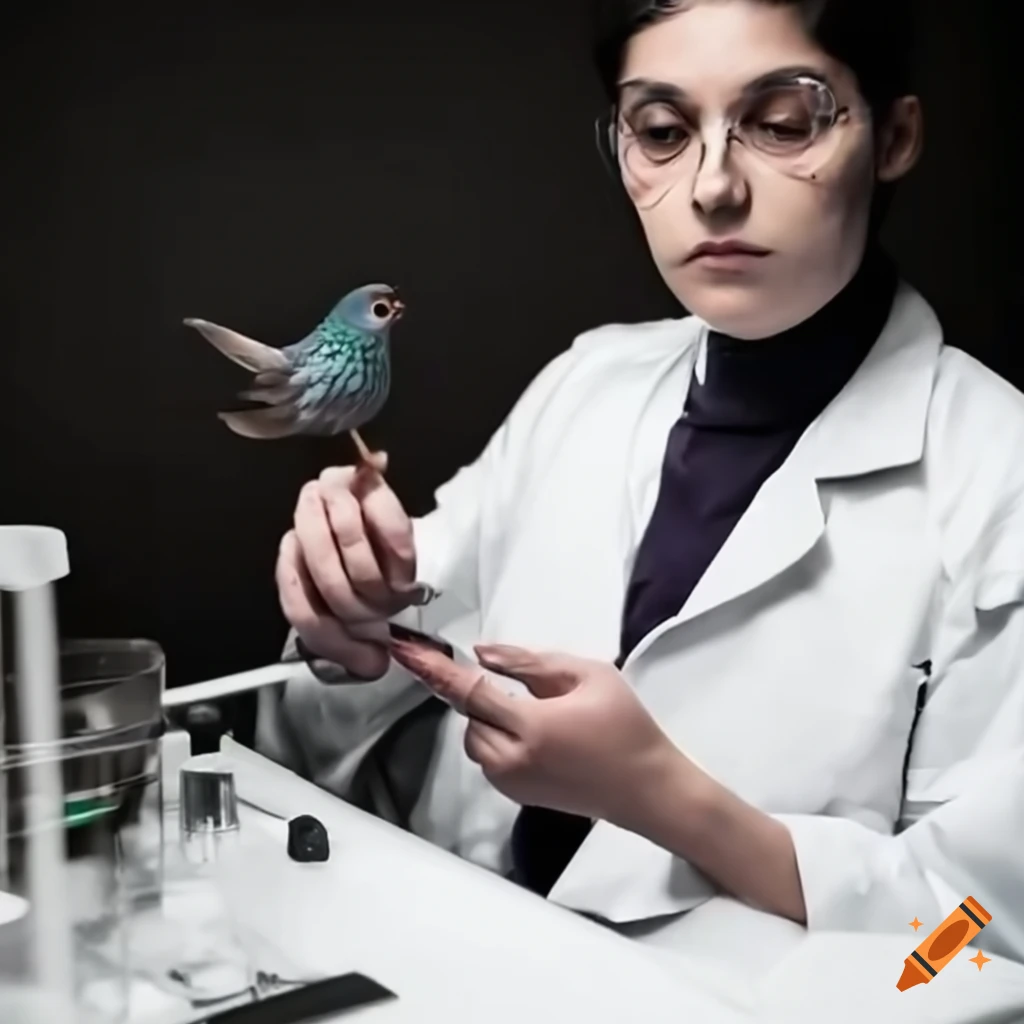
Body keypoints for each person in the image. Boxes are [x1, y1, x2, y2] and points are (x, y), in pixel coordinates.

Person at [258, 0, 1024, 964]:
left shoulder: (998, 475)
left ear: (896, 136)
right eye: (662, 132)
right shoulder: (587, 383)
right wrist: (351, 624)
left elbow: (973, 938)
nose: (712, 187)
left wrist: (665, 798)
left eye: (784, 123)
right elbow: (355, 734)